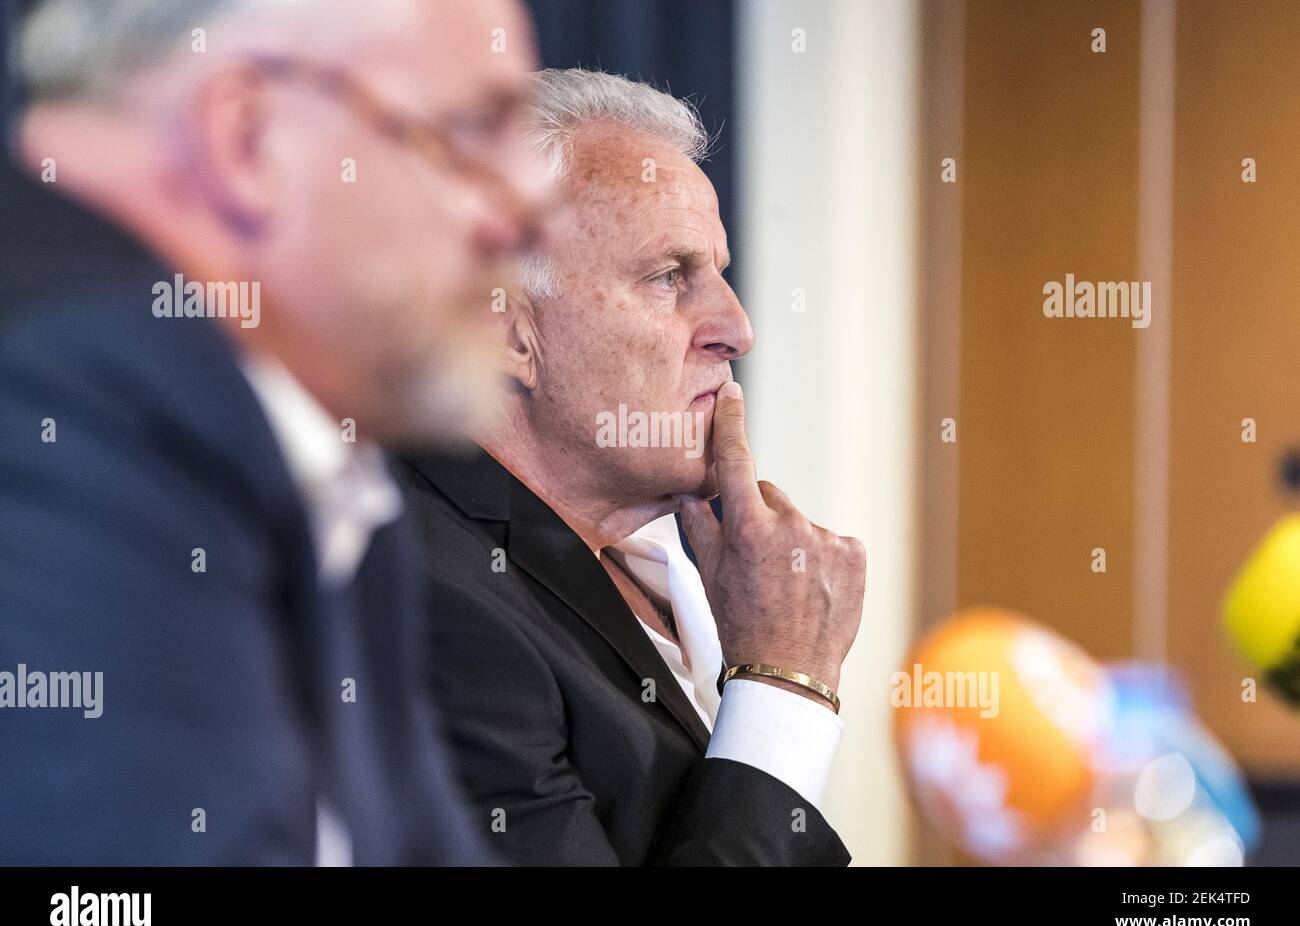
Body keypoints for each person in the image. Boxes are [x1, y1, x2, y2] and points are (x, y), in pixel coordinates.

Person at [0, 0, 549, 864]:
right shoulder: (63, 389)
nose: (523, 214)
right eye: (472, 134)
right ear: (249, 140)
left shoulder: (317, 453)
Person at [402, 69, 867, 865]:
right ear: (509, 332)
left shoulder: (686, 564)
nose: (736, 327)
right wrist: (786, 685)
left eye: (720, 273)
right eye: (668, 277)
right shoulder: (430, 598)